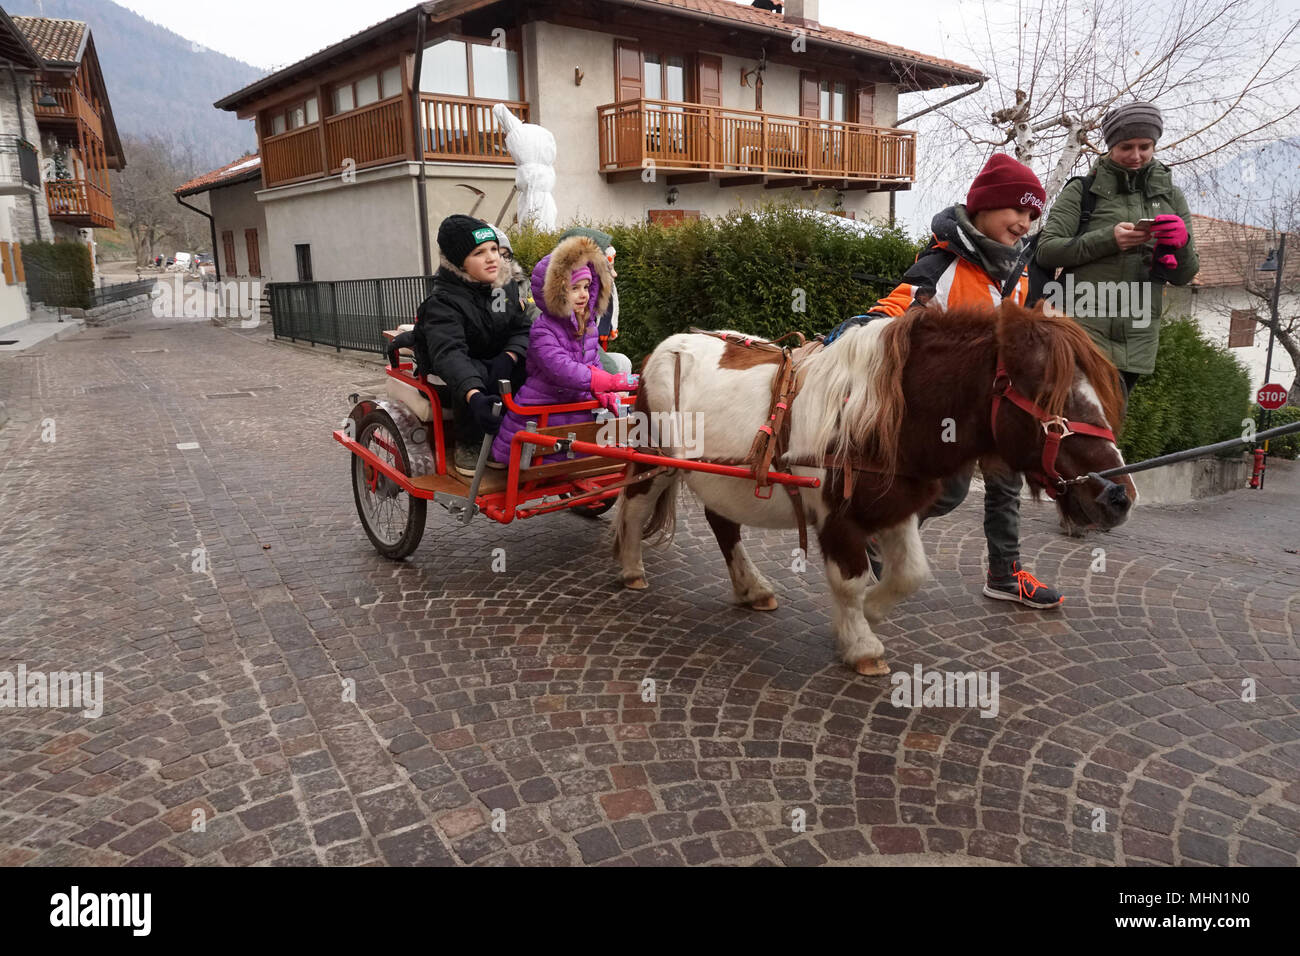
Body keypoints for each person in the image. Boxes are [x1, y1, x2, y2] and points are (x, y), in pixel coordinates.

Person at [825, 153, 1066, 609]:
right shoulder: (944, 264)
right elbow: (903, 302)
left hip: (999, 399)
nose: (1025, 222)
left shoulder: (1015, 272)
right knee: (949, 491)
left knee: (1008, 481)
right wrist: (868, 323)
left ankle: (1005, 573)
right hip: (949, 409)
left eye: (1034, 214)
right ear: (983, 206)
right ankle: (883, 532)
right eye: (1017, 209)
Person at [1036, 101, 1199, 398]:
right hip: (1079, 331)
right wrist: (1109, 240)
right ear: (1111, 146)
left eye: (1144, 146)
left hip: (1137, 338)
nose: (1136, 156)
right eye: (1126, 147)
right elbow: (1046, 250)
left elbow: (1185, 275)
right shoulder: (1081, 191)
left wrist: (1181, 244)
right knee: (1069, 430)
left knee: (1106, 435)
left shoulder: (1172, 196)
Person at [491, 235, 634, 466]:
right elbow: (560, 368)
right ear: (555, 292)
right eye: (574, 288)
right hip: (543, 406)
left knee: (576, 451)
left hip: (574, 405)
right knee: (541, 456)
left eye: (586, 287)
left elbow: (593, 359)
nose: (583, 294)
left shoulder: (586, 324)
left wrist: (603, 391)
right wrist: (602, 381)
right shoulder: (543, 329)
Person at [412, 215, 533, 477]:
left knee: (534, 361)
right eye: (479, 252)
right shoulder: (442, 303)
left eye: (494, 249)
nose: (492, 258)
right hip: (452, 380)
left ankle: (517, 429)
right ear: (459, 262)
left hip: (497, 366)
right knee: (474, 371)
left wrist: (509, 357)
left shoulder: (505, 287)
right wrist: (475, 396)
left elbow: (522, 327)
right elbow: (450, 354)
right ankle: (468, 442)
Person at [558, 226, 633, 377]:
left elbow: (591, 350)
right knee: (618, 368)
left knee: (623, 362)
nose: (614, 274)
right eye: (608, 267)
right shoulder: (565, 307)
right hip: (567, 380)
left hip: (582, 369)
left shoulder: (587, 302)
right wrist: (615, 383)